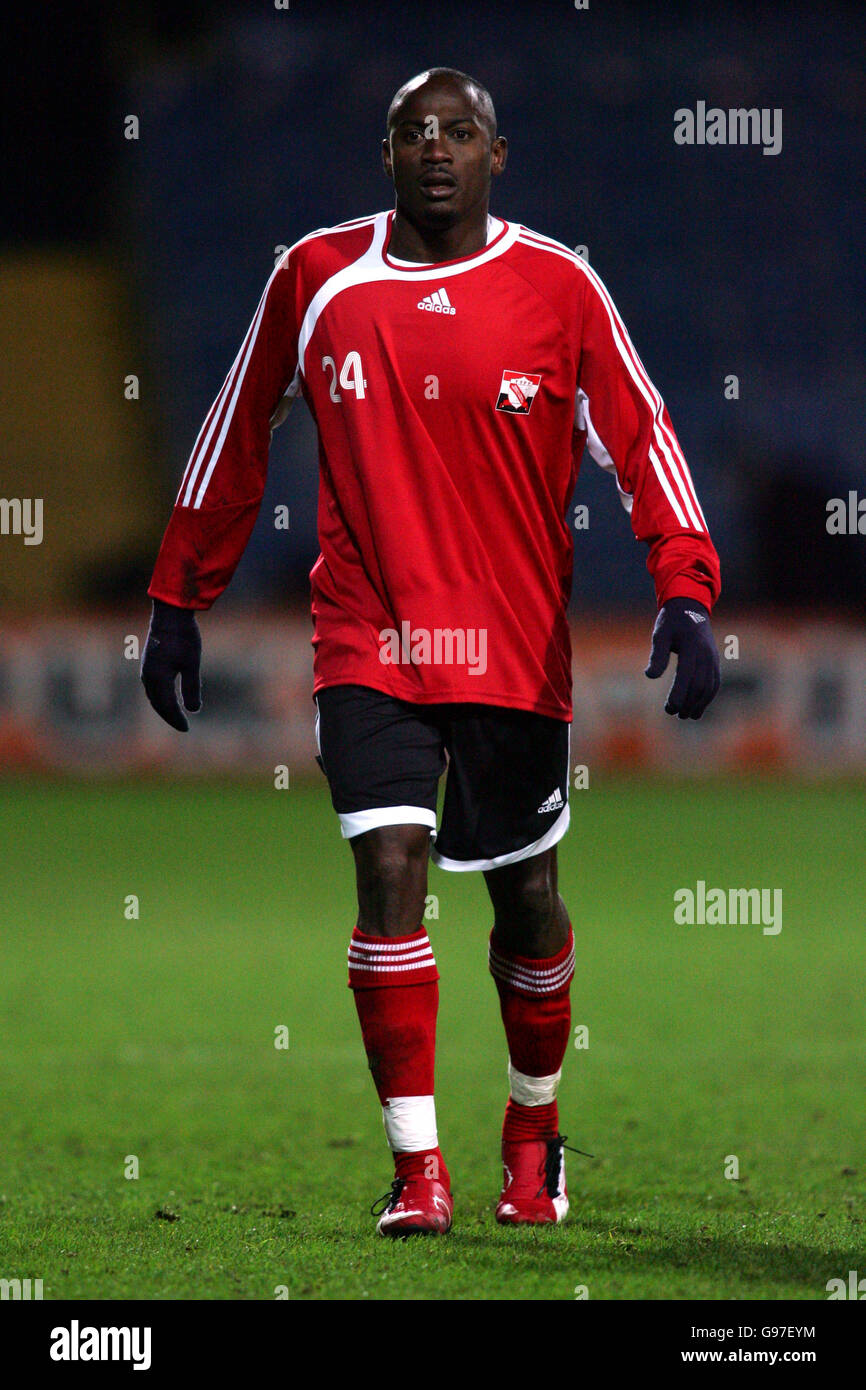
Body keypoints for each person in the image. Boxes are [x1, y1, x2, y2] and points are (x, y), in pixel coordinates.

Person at [141, 67, 721, 1237]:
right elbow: (233, 424)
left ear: (497, 156)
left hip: (510, 649)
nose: (438, 148)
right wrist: (176, 596)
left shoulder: (560, 285)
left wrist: (684, 588)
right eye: (416, 131)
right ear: (387, 152)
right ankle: (418, 1170)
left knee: (527, 904)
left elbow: (640, 433)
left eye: (461, 131)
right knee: (387, 874)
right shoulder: (314, 277)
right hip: (370, 636)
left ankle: (531, 1128)